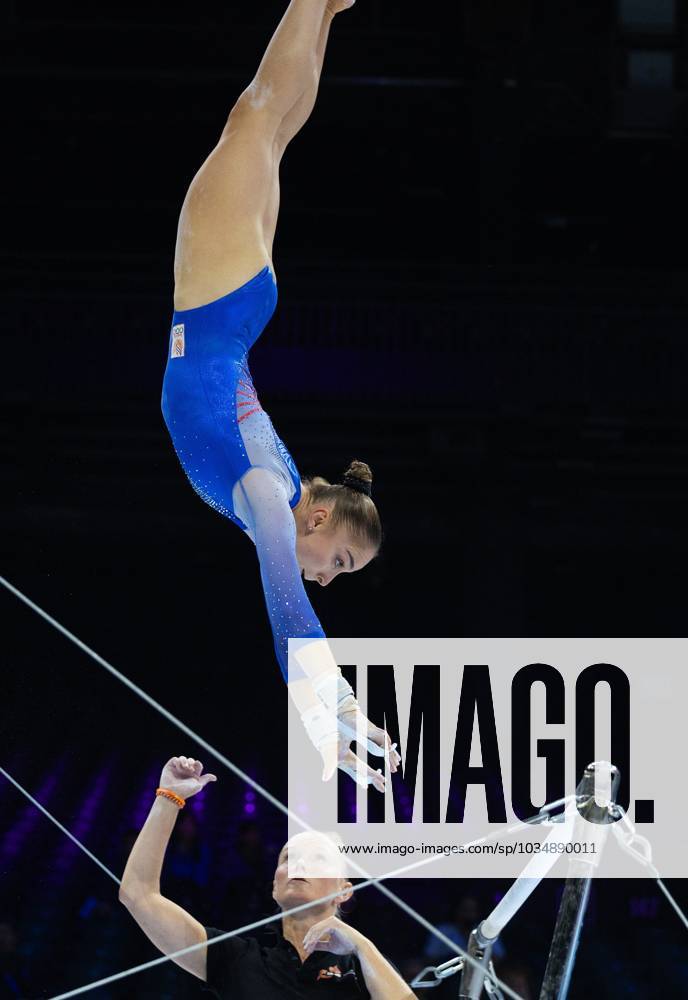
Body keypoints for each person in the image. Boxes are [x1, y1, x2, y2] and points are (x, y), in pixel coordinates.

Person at [160, 0, 400, 790]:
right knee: (260, 117)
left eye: (338, 574)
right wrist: (335, 709)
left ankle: (324, 8)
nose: (324, 577)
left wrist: (334, 710)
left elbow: (292, 607)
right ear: (322, 517)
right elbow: (287, 613)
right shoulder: (269, 493)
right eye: (336, 561)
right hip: (218, 300)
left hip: (232, 305)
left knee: (268, 124)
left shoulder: (282, 487)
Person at [119, 756, 416, 998]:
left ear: (344, 891)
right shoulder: (236, 959)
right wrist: (168, 798)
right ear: (274, 885)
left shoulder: (365, 968)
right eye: (289, 858)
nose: (300, 865)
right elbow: (139, 895)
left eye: (318, 859)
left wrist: (361, 945)